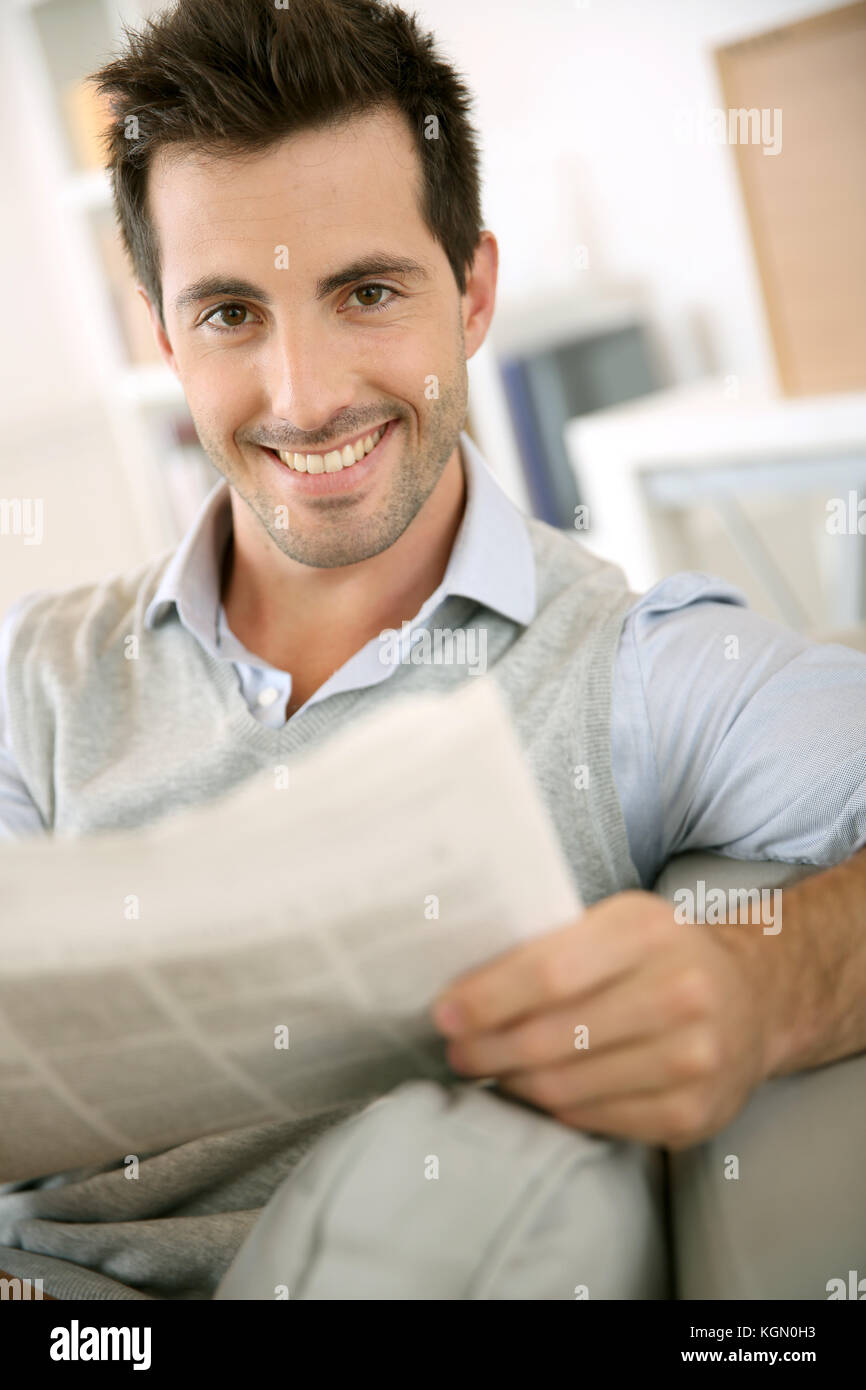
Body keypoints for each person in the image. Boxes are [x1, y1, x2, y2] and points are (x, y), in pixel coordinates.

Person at [0, 0, 863, 1301]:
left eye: (364, 292)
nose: (303, 395)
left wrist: (762, 981)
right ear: (166, 337)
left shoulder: (640, 670)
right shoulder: (36, 680)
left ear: (470, 293)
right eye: (231, 312)